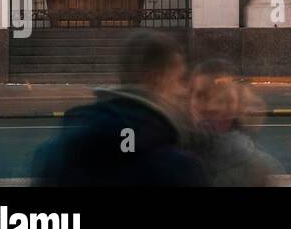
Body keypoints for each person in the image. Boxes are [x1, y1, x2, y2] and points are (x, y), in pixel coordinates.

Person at [34, 31, 207, 186]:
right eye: (180, 79)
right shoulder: (177, 167)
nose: (184, 90)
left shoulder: (61, 148)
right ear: (157, 77)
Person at [188, 59, 280, 186]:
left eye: (224, 99)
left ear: (237, 106)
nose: (212, 107)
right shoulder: (262, 165)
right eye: (202, 96)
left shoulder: (260, 167)